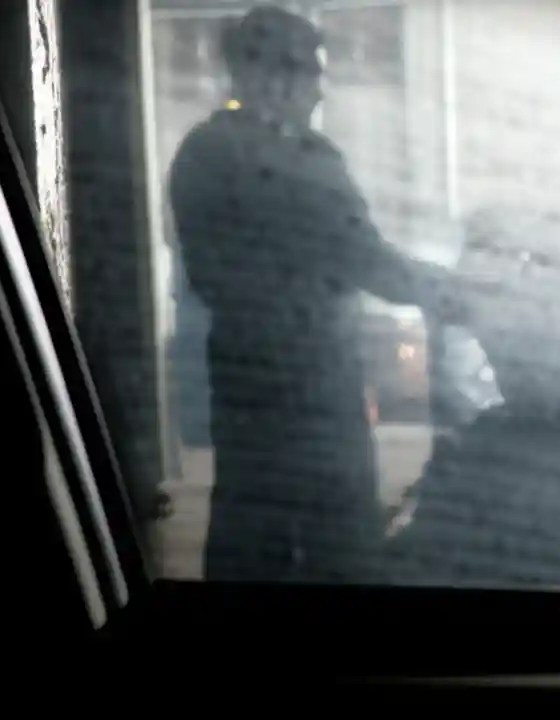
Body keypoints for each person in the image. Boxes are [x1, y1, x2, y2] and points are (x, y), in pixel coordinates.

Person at [168, 6, 456, 582]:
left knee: (252, 534)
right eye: (310, 75)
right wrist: (443, 292)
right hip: (302, 383)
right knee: (334, 537)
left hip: (259, 383)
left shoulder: (207, 154)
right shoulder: (285, 161)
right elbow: (362, 256)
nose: (318, 93)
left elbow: (210, 275)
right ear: (266, 77)